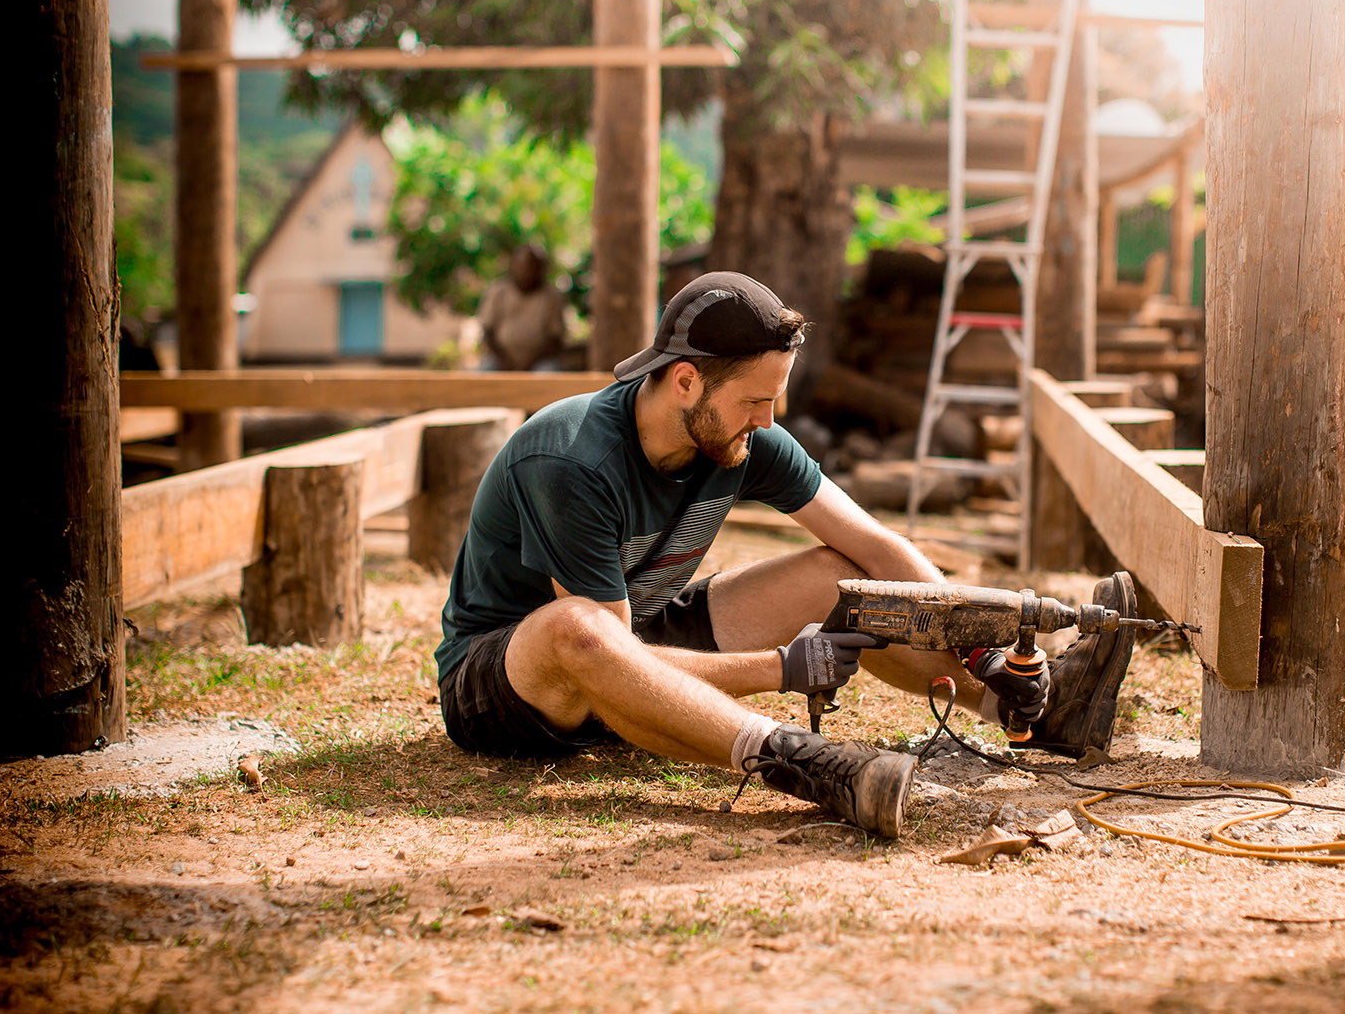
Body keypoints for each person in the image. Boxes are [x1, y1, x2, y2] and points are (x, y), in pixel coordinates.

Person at [436, 272, 1134, 837]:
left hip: (638, 641)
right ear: (686, 381)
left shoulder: (737, 433)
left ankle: (1035, 717)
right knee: (578, 628)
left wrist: (980, 641)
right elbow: (610, 650)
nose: (769, 421)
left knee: (843, 576)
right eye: (756, 401)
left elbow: (874, 545)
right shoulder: (571, 458)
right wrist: (780, 670)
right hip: (514, 683)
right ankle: (806, 767)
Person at [476, 244, 567, 371]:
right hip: (500, 359)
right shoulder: (498, 291)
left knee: (549, 372)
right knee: (484, 373)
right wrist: (505, 360)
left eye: (531, 266)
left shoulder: (552, 296)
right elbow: (487, 331)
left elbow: (556, 339)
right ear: (513, 266)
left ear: (540, 269)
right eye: (522, 266)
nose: (526, 271)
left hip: (539, 362)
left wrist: (529, 363)